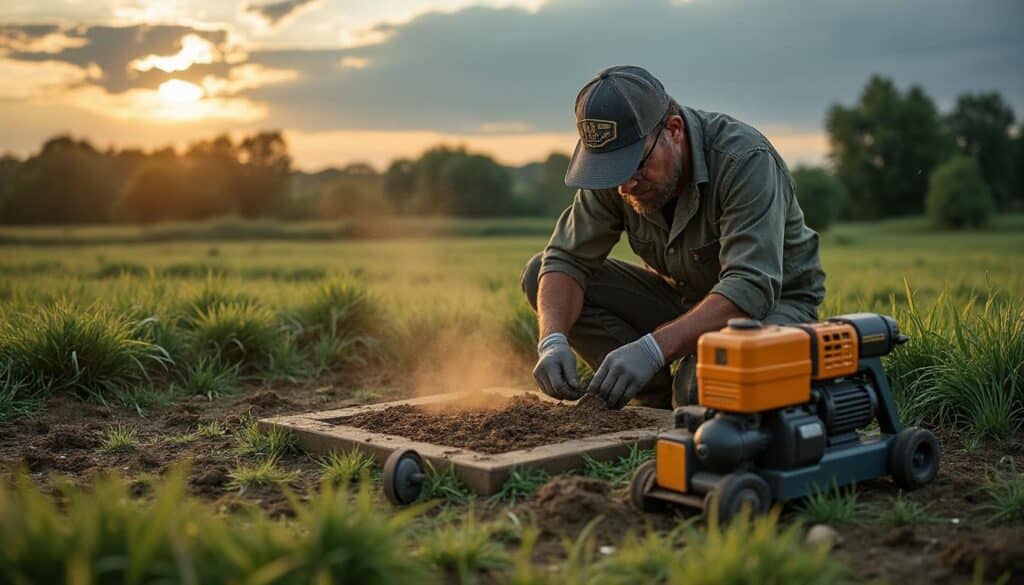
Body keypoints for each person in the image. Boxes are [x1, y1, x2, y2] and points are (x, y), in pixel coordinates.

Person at [521, 65, 826, 410]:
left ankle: (679, 383)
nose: (624, 186)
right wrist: (552, 338)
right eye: (611, 171)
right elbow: (567, 260)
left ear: (674, 130)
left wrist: (652, 348)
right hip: (686, 299)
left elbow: (749, 288)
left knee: (699, 388)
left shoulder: (744, 160)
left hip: (771, 308)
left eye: (635, 166)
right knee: (539, 274)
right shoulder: (619, 178)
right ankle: (649, 394)